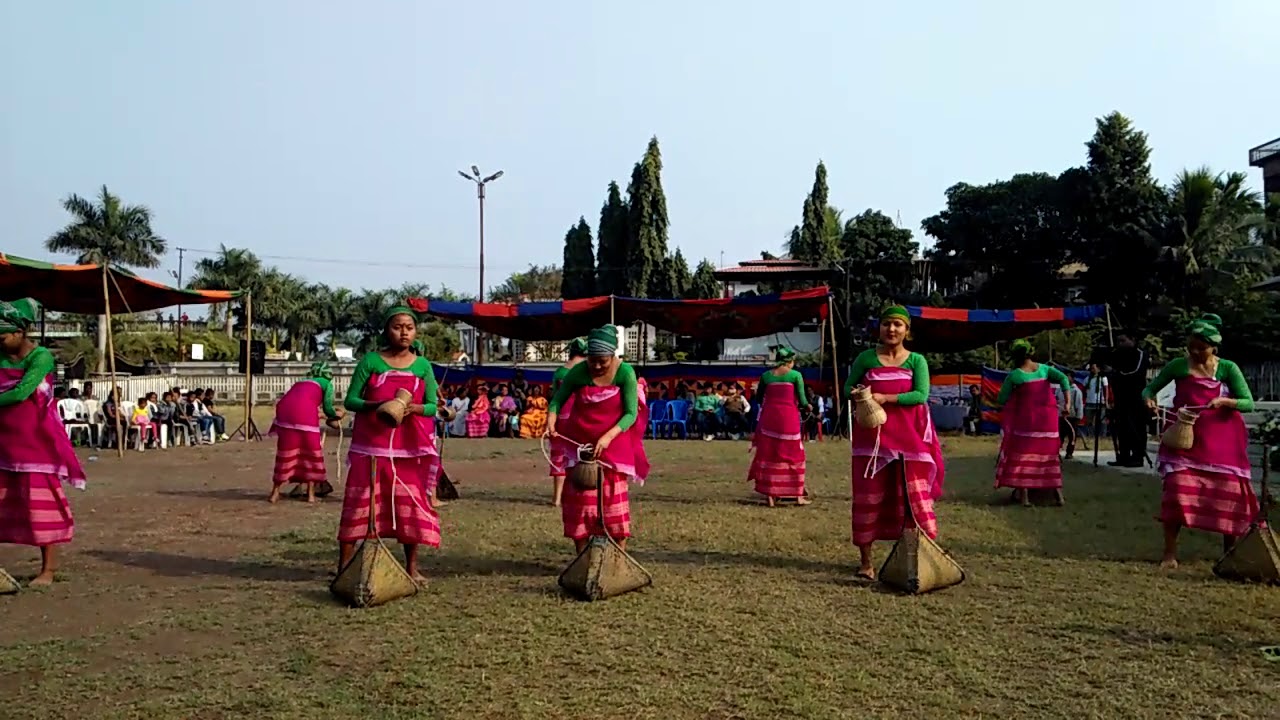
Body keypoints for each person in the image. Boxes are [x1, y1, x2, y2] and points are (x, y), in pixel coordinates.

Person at [337, 305, 441, 584]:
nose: (404, 332)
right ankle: (344, 566)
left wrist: (413, 409)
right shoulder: (371, 361)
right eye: (398, 326)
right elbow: (350, 401)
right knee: (360, 504)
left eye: (409, 327)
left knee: (409, 505)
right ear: (387, 330)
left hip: (407, 451)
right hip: (370, 448)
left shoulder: (422, 366)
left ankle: (411, 568)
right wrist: (378, 405)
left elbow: (433, 406)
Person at [1142, 314, 1256, 568]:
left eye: (1201, 347)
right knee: (1176, 490)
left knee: (1228, 496)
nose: (1195, 351)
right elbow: (1150, 389)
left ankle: (1230, 553)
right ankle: (1169, 554)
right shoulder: (1177, 366)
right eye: (1191, 346)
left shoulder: (1228, 368)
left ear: (1214, 346)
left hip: (1224, 443)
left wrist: (1227, 402)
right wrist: (1149, 399)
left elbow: (1248, 402)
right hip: (1186, 441)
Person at [846, 306, 944, 580]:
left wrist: (887, 399)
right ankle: (866, 563)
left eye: (898, 325)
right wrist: (858, 394)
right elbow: (846, 387)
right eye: (886, 324)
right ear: (879, 328)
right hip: (872, 442)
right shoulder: (866, 358)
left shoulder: (916, 361)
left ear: (907, 331)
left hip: (909, 441)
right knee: (869, 496)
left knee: (912, 500)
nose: (891, 329)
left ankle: (917, 560)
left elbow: (921, 395)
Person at [0, 298, 86, 586]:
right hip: (3, 443)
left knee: (41, 508)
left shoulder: (41, 358)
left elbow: (20, 393)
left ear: (19, 332)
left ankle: (47, 571)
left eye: (2, 336)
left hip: (36, 444)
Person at [547, 326, 648, 553]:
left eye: (603, 361)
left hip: (613, 448)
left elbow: (630, 413)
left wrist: (608, 436)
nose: (597, 366)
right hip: (579, 447)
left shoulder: (626, 373)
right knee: (581, 507)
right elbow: (557, 401)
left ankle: (618, 561)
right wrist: (551, 419)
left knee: (614, 513)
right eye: (593, 361)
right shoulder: (577, 372)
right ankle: (582, 558)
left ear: (613, 355)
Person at [993, 339, 1072, 506]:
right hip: (1048, 422)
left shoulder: (1015, 375)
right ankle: (1059, 497)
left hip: (1026, 421)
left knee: (1023, 456)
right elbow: (1064, 379)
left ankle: (1025, 498)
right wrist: (1068, 403)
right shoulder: (1045, 370)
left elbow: (1001, 399)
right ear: (1031, 353)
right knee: (1049, 456)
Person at [268, 361, 345, 504]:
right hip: (305, 417)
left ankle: (275, 493)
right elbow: (328, 409)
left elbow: (301, 405)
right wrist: (338, 414)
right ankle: (310, 495)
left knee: (285, 454)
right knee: (311, 454)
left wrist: (323, 415)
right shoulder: (326, 384)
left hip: (284, 414)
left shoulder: (301, 383)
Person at [748, 347, 810, 507]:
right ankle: (797, 495)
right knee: (794, 454)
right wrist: (807, 406)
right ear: (790, 361)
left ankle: (770, 496)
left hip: (769, 418)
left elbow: (759, 398)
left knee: (770, 454)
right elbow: (803, 401)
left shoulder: (766, 376)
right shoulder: (795, 375)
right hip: (788, 419)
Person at [546, 337, 588, 507]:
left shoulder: (560, 372)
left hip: (560, 418)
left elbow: (556, 398)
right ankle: (578, 494)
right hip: (580, 418)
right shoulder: (585, 371)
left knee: (559, 458)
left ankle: (557, 498)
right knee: (581, 456)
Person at [1106, 332, 1150, 468]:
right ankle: (1123, 456)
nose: (1120, 344)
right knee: (1122, 427)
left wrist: (1116, 373)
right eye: (1118, 341)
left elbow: (1136, 372)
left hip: (1136, 396)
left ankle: (1138, 457)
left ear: (1133, 339)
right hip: (1120, 396)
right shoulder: (1117, 355)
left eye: (1123, 341)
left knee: (1136, 427)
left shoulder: (1141, 354)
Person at [1054, 377, 1085, 459]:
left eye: (1068, 377)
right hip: (1060, 415)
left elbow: (1079, 404)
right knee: (1060, 436)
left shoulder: (1076, 391)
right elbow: (1056, 400)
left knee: (1072, 436)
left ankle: (1069, 452)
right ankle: (1056, 452)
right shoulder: (1059, 389)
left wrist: (1079, 416)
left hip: (1072, 416)